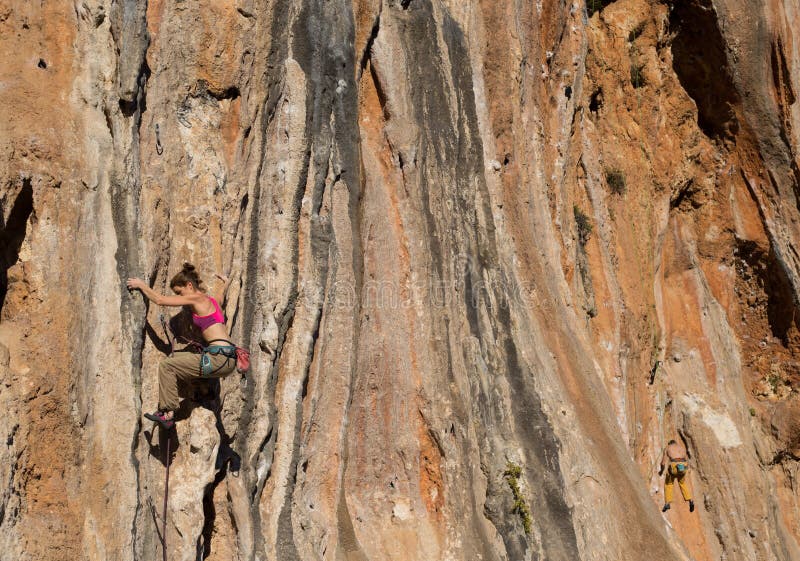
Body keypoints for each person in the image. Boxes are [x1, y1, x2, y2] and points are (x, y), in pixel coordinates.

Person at [127, 263, 237, 429]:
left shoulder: (196, 298)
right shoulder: (213, 302)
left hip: (218, 359)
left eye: (179, 292)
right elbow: (221, 295)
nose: (180, 297)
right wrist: (226, 282)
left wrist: (141, 285)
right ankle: (204, 389)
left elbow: (160, 300)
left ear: (189, 285)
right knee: (178, 357)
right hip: (227, 359)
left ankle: (167, 413)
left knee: (167, 366)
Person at [659, 439, 695, 513]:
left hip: (674, 466)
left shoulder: (668, 448)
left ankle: (667, 503)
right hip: (683, 466)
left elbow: (663, 463)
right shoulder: (682, 448)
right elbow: (686, 460)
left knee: (669, 484)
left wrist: (661, 471)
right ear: (675, 443)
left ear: (669, 444)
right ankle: (690, 500)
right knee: (682, 484)